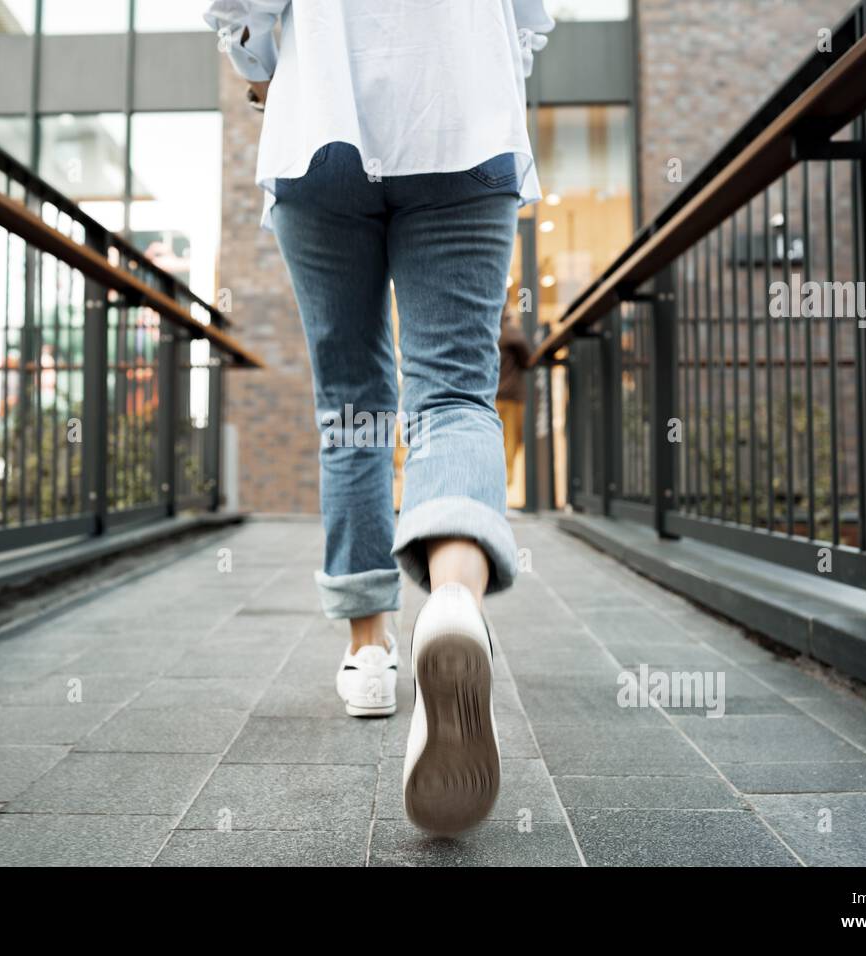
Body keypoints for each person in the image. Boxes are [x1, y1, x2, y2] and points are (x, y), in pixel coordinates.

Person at [205, 0, 554, 836]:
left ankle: (368, 649)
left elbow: (241, 9)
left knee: (353, 399)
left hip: (321, 122)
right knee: (455, 393)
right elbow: (530, 19)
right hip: (463, 118)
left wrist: (259, 64)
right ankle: (455, 597)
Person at [497, 308, 532, 501]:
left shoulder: (488, 329)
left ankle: (499, 489)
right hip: (510, 398)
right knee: (511, 444)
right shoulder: (511, 332)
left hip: (492, 397)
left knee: (497, 444)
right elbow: (528, 360)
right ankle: (504, 491)